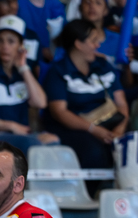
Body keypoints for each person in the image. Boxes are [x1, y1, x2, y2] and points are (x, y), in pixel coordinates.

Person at [43, 18, 128, 169]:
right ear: (78, 44)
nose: (98, 45)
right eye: (93, 41)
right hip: (73, 129)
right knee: (94, 152)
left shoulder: (103, 65)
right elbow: (59, 112)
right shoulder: (58, 71)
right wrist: (93, 130)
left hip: (108, 124)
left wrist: (120, 129)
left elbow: (121, 102)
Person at [0, 15, 58, 154]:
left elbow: (40, 103)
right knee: (30, 143)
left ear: (21, 45)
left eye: (11, 41)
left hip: (17, 136)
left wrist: (24, 68)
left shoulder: (23, 74)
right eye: (1, 40)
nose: (5, 46)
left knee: (53, 141)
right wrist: (10, 126)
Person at [0, 0, 41, 73]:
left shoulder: (32, 36)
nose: (13, 6)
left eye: (14, 1)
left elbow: (37, 69)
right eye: (5, 2)